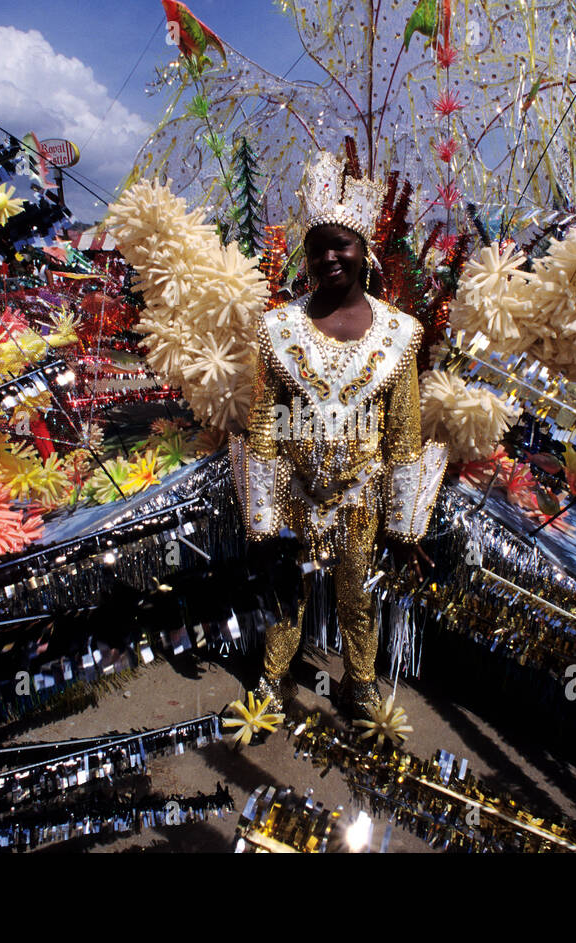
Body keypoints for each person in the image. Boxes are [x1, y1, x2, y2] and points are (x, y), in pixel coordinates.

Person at [230, 149, 447, 722]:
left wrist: (404, 526)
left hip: (358, 498)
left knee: (358, 599)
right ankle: (273, 682)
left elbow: (403, 430)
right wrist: (261, 522)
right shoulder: (278, 328)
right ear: (306, 254)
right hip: (294, 493)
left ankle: (360, 686)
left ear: (364, 251)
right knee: (286, 596)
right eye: (318, 246)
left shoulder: (401, 333)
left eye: (342, 245)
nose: (330, 257)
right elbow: (264, 422)